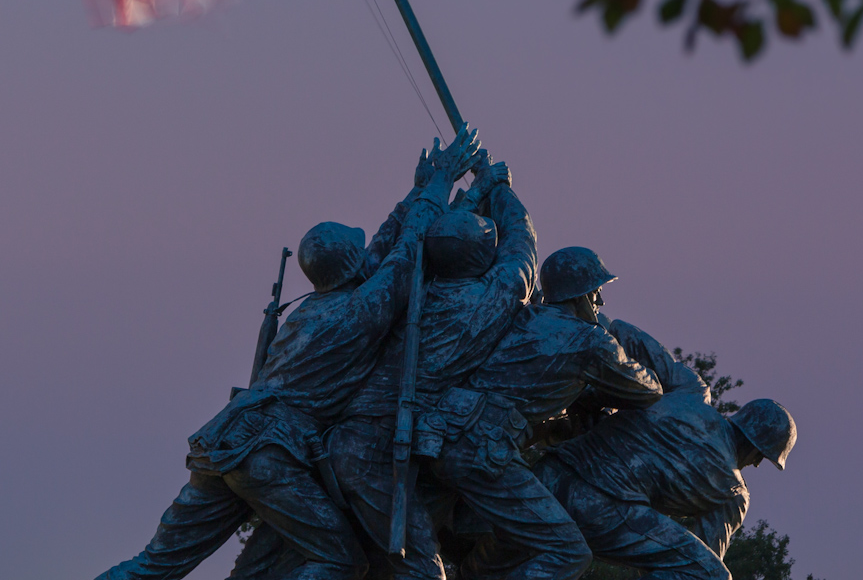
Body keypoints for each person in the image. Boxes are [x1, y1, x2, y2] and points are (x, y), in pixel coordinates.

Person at [96, 137, 474, 580]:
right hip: (268, 453)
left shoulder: (317, 306)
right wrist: (439, 184)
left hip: (225, 440)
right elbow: (405, 256)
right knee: (341, 561)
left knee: (154, 566)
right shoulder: (358, 313)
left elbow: (382, 248)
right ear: (352, 269)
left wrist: (419, 190)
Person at [316, 148, 537, 580]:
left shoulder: (403, 297)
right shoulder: (483, 304)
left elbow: (414, 242)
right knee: (421, 572)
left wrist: (469, 190)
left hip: (341, 444)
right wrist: (503, 191)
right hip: (377, 454)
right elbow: (522, 251)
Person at [423, 246, 664, 580]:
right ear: (579, 295)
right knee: (568, 553)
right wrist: (596, 390)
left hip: (439, 438)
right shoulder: (591, 341)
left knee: (506, 542)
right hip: (482, 452)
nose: (601, 303)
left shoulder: (523, 317)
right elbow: (647, 389)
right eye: (596, 293)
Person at [530, 320, 797, 580]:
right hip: (602, 510)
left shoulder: (691, 391)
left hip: (550, 474)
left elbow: (623, 332)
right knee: (711, 574)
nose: (757, 464)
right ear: (756, 448)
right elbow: (704, 558)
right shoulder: (732, 494)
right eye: (762, 456)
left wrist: (593, 395)